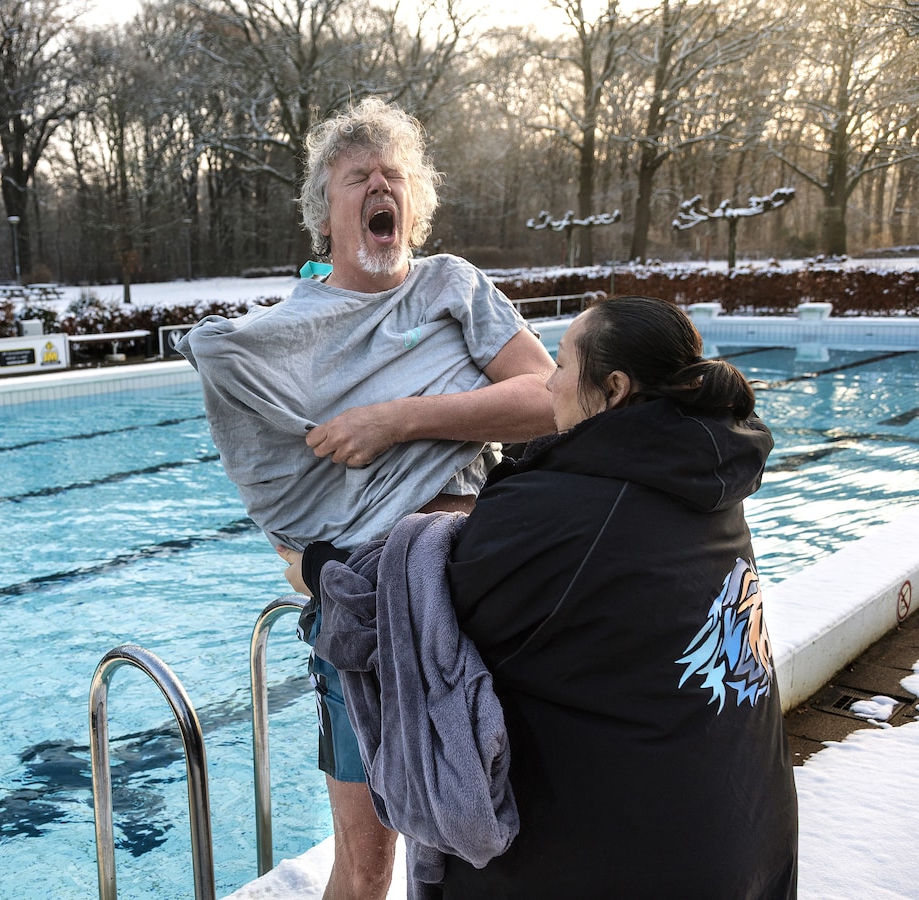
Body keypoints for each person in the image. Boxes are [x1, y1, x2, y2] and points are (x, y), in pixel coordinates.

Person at [176, 98, 556, 900]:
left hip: (481, 589)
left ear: (412, 206)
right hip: (358, 610)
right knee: (365, 860)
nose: (379, 186)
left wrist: (396, 421)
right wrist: (309, 559)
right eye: (358, 178)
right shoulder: (289, 334)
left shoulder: (453, 286)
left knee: (496, 832)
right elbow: (274, 472)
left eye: (393, 176)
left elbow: (548, 399)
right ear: (327, 213)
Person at [294, 297, 799, 898]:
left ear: (613, 388)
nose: (548, 383)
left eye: (560, 365)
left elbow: (401, 612)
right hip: (747, 832)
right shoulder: (704, 481)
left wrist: (316, 565)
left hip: (634, 860)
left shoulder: (566, 515)